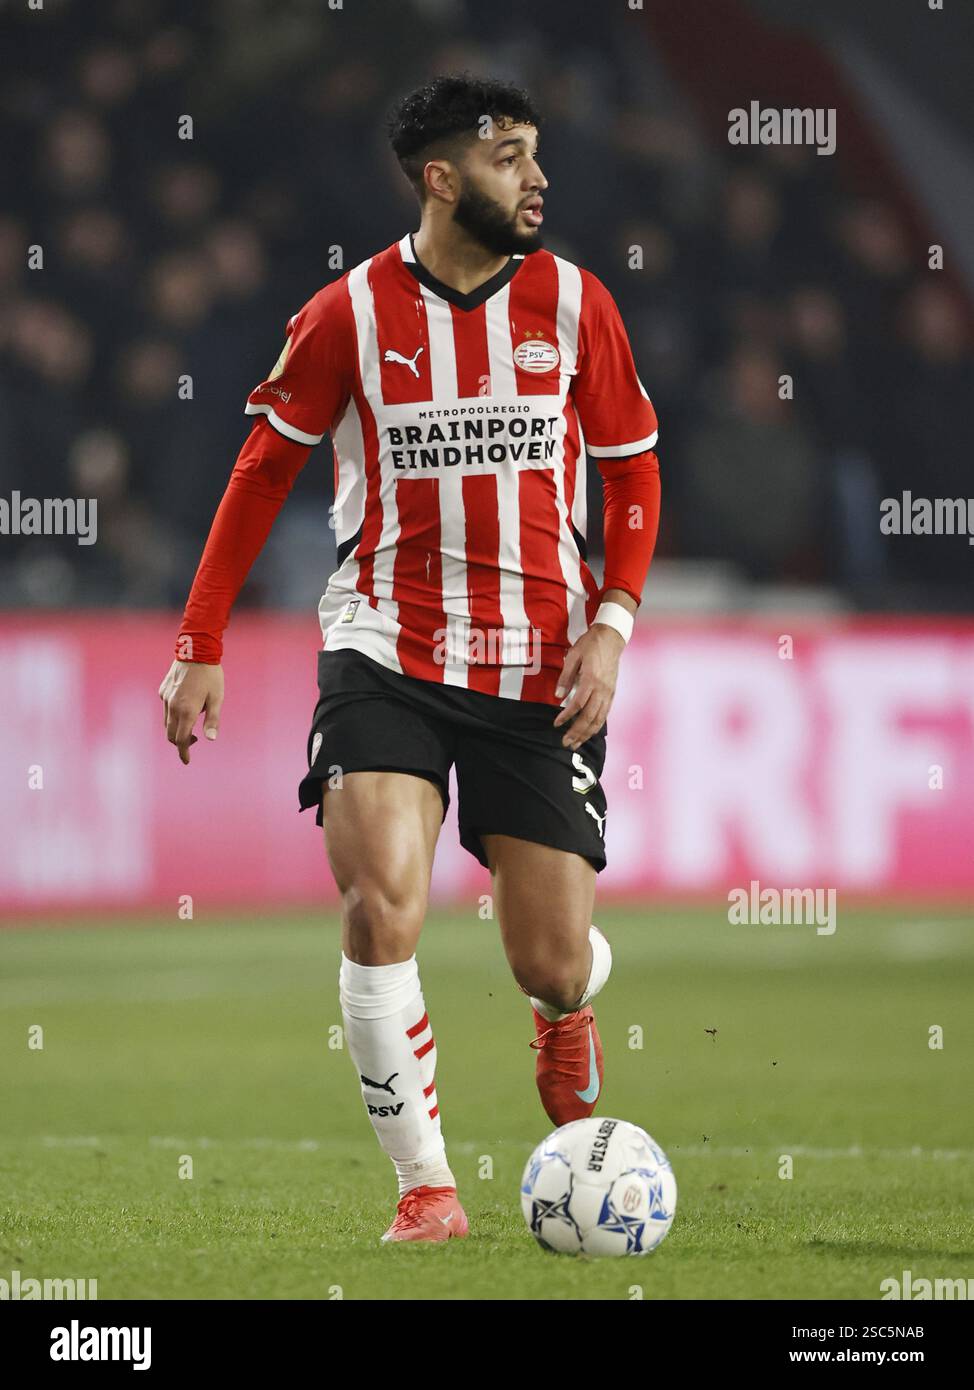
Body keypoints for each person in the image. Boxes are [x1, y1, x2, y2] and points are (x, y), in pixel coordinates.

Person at [158, 74, 661, 1243]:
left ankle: (563, 1002)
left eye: (536, 156)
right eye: (509, 159)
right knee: (379, 905)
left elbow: (631, 466)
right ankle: (426, 1190)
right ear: (441, 179)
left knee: (550, 958)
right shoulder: (346, 315)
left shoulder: (577, 306)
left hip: (538, 664)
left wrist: (614, 621)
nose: (536, 180)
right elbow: (260, 471)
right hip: (383, 645)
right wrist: (199, 642)